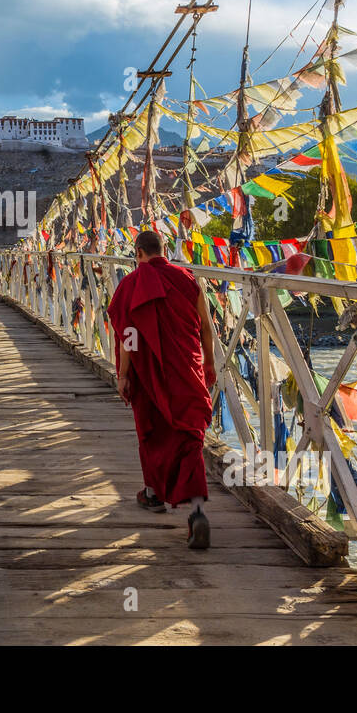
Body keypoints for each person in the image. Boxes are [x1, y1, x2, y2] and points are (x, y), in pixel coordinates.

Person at [107, 229, 217, 549]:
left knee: (152, 432)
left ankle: (153, 494)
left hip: (147, 373)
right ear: (164, 249)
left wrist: (123, 375)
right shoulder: (188, 279)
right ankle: (196, 512)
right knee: (189, 436)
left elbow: (128, 334)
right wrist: (208, 364)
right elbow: (206, 328)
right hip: (187, 370)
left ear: (138, 252)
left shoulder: (129, 285)